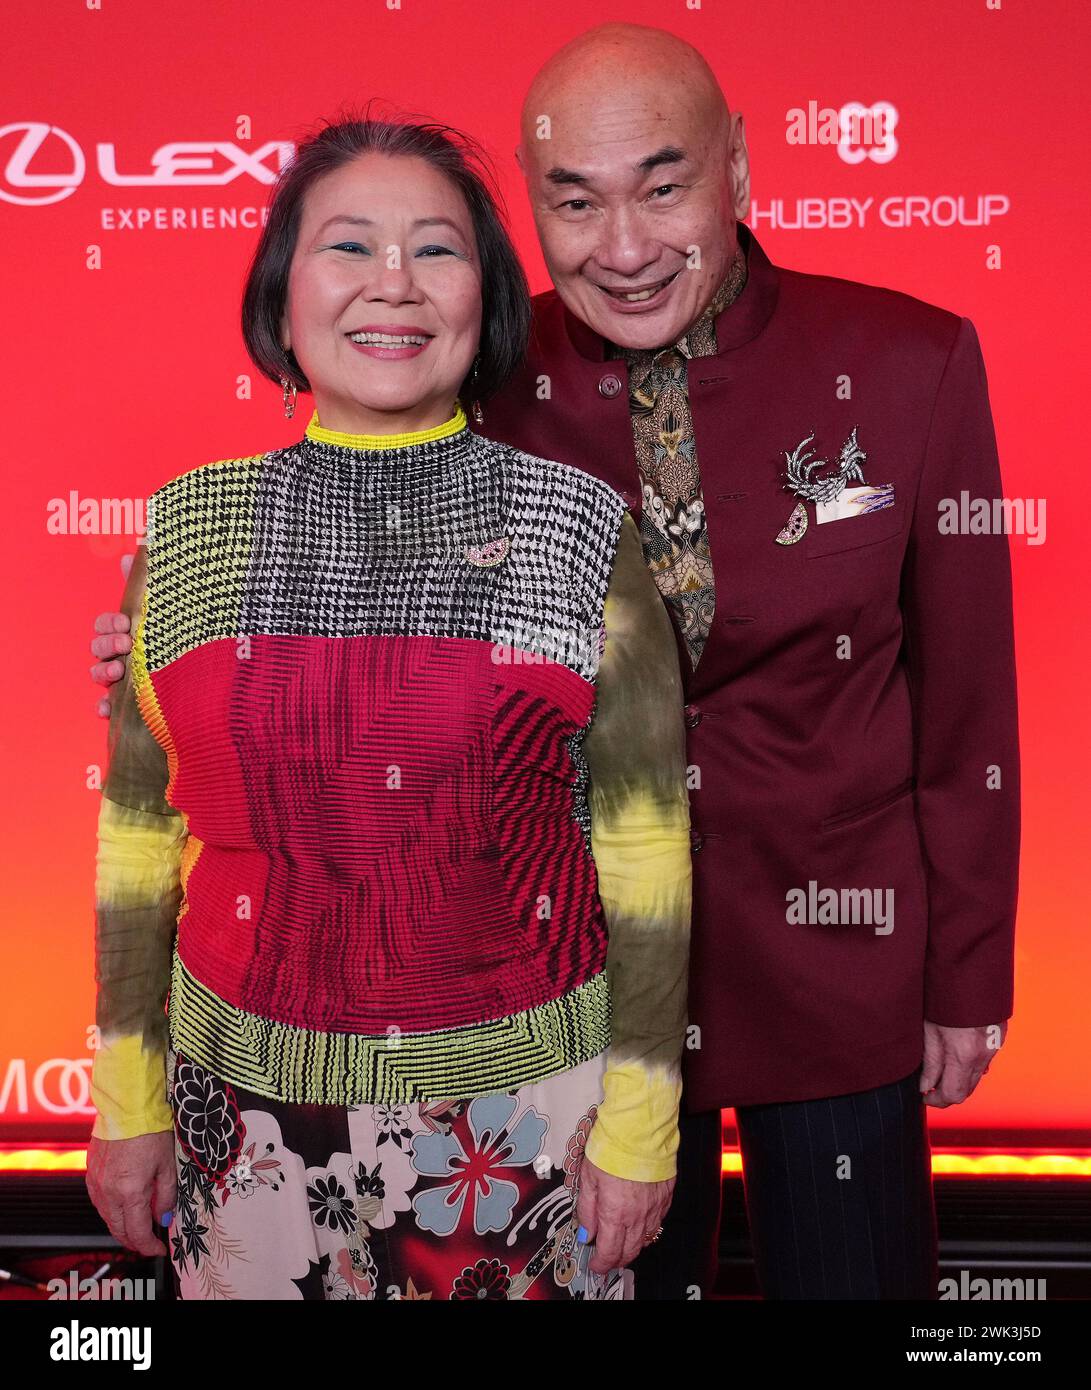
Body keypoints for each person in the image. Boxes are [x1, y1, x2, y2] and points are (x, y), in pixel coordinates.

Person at [92, 23, 1021, 1301]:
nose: (624, 248)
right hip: (579, 994)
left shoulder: (911, 360)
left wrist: (964, 970)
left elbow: (968, 702)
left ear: (739, 170)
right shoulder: (474, 366)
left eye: (662, 185)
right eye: (574, 204)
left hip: (835, 964)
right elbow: (347, 581)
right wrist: (159, 653)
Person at [85, 115, 693, 1301]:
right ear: (282, 290)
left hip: (517, 1130)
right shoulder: (185, 527)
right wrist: (127, 1100)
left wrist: (640, 1125)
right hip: (243, 1126)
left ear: (489, 299)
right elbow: (138, 842)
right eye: (349, 246)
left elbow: (644, 851)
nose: (394, 286)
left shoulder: (574, 526)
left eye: (438, 250)